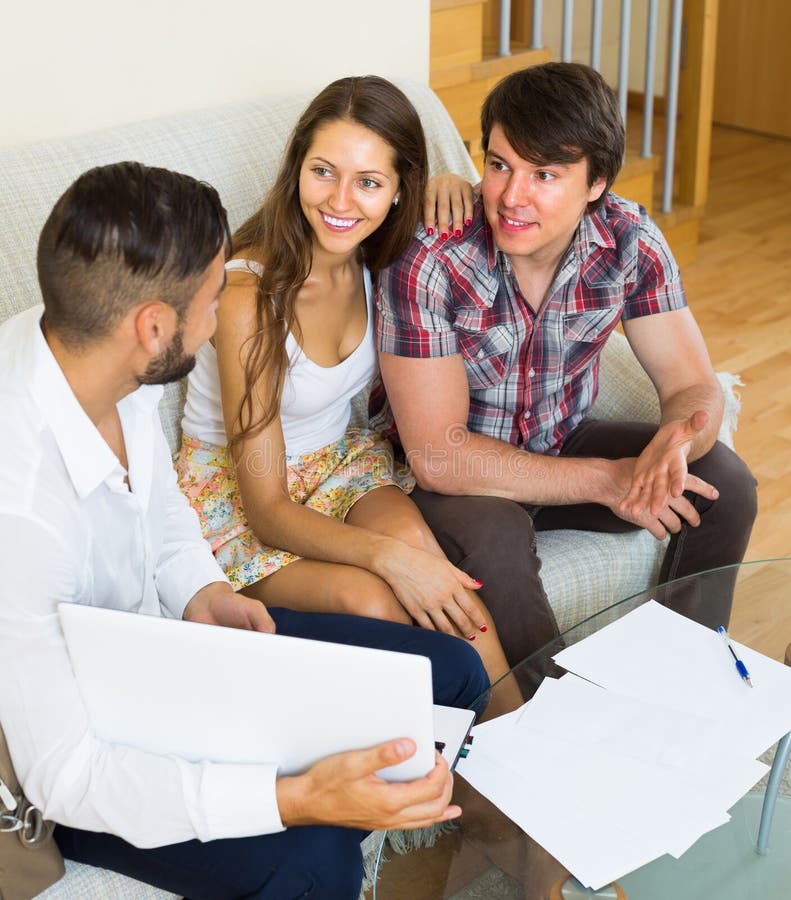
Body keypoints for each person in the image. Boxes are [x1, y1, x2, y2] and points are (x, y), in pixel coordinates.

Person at [0, 161, 489, 900]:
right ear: (154, 327)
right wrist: (294, 798)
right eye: (211, 293)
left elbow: (161, 509)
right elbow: (68, 776)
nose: (224, 300)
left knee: (448, 675)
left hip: (160, 652)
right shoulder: (21, 513)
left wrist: (201, 589)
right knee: (313, 863)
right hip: (85, 749)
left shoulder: (98, 353)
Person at [373, 62, 757, 636]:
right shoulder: (431, 256)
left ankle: (685, 675)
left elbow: (691, 385)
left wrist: (671, 449)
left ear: (596, 184)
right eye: (500, 165)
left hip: (559, 440)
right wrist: (605, 480)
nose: (511, 197)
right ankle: (542, 718)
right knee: (494, 539)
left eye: (545, 175)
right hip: (450, 477)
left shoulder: (628, 238)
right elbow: (439, 456)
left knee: (722, 481)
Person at [175, 75, 517, 686]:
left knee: (434, 574)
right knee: (378, 600)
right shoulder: (247, 300)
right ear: (296, 167)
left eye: (368, 182)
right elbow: (268, 509)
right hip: (242, 495)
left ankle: (518, 751)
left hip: (338, 460)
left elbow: (490, 208)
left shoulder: (380, 256)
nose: (339, 201)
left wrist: (449, 183)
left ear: (397, 192)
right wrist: (390, 560)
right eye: (323, 171)